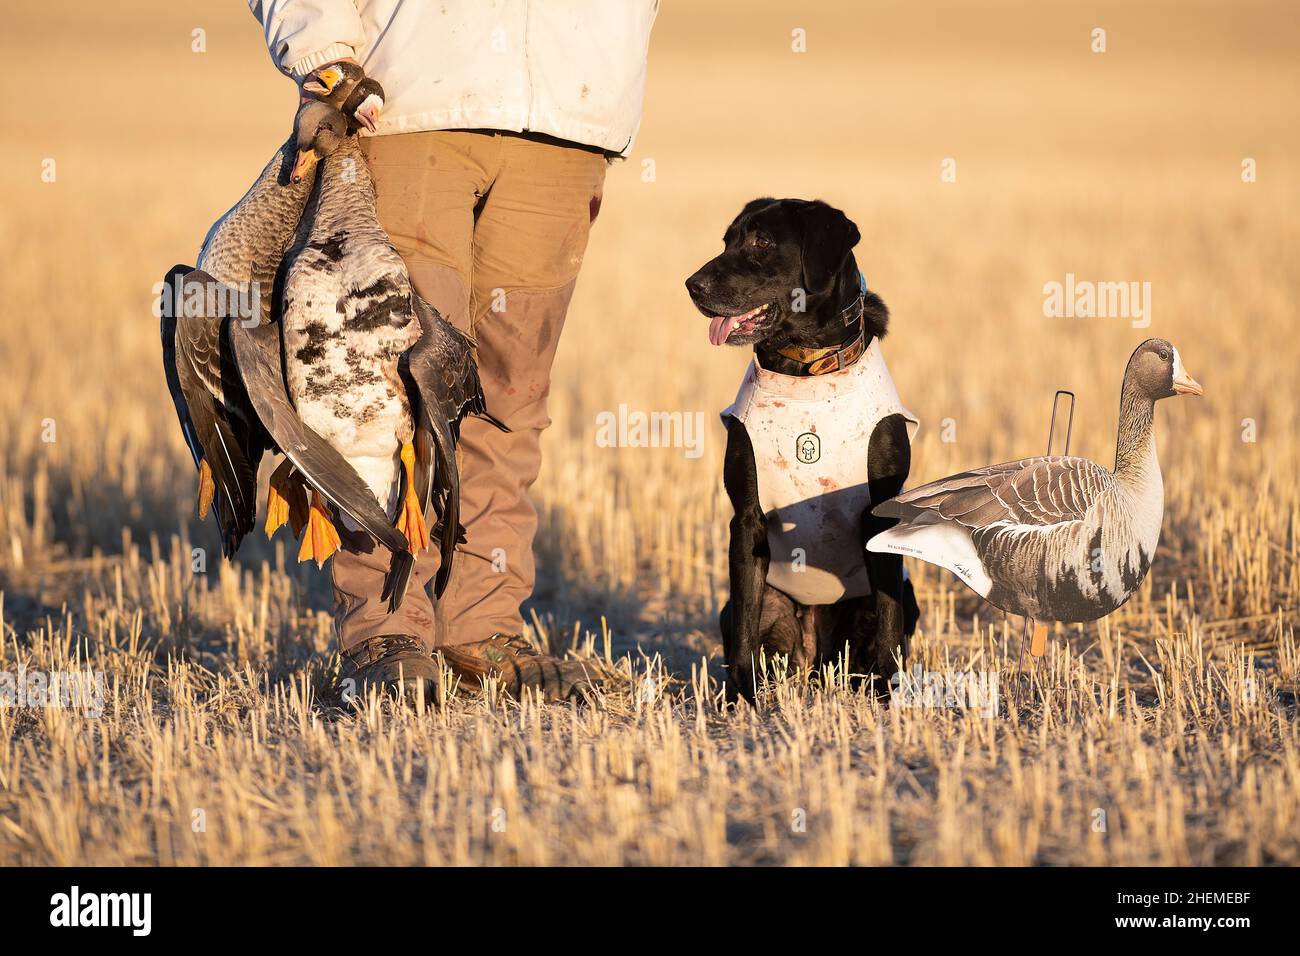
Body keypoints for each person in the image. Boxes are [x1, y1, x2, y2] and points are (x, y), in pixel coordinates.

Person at [250, 1, 658, 698]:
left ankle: (481, 632)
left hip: (571, 112)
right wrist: (318, 44)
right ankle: (384, 634)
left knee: (508, 394)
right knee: (382, 389)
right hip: (405, 96)